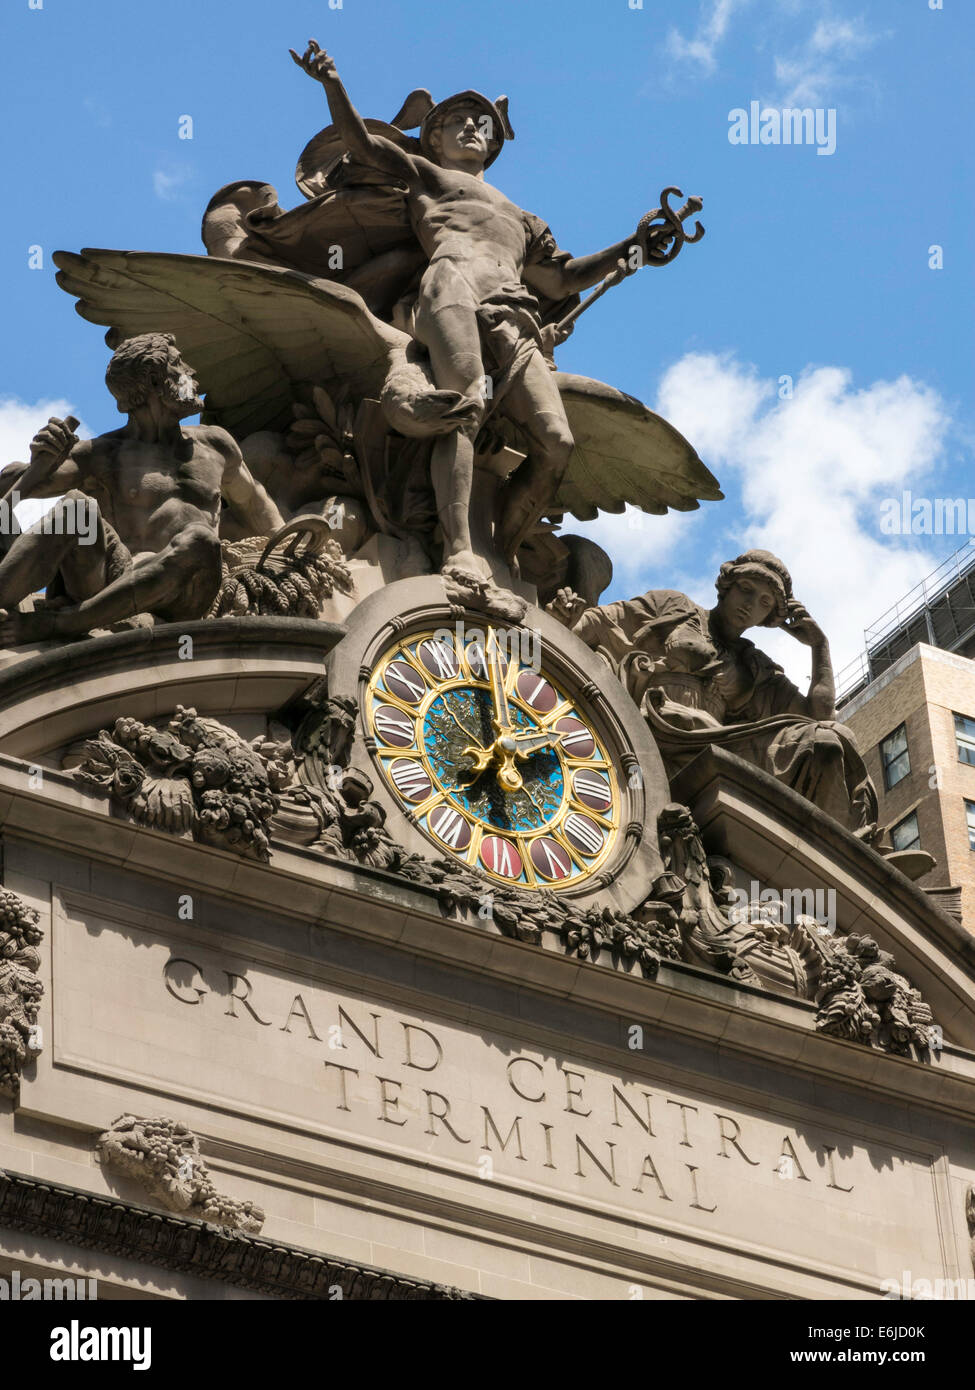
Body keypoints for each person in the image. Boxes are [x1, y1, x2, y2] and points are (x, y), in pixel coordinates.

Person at [289, 39, 655, 585]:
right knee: (463, 408)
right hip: (449, 287)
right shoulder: (426, 176)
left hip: (515, 312)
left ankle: (501, 552)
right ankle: (459, 548)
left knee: (556, 443)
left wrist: (635, 244)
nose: (471, 129)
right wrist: (333, 84)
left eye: (481, 123)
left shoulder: (524, 217)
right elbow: (363, 146)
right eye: (457, 121)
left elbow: (561, 277)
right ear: (433, 138)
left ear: (494, 142)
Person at [549, 550, 883, 841]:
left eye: (764, 603)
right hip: (659, 724)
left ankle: (835, 847)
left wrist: (819, 647)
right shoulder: (674, 606)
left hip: (717, 745)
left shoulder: (757, 667)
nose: (750, 605)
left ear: (769, 617)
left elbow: (820, 719)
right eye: (746, 590)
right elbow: (604, 620)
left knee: (828, 741)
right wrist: (558, 628)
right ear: (727, 586)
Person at [0, 334, 283, 643]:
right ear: (154, 381)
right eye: (178, 363)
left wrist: (297, 544)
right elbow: (9, 497)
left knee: (200, 537)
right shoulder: (102, 453)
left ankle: (60, 623)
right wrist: (42, 462)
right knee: (75, 507)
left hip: (184, 592)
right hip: (111, 585)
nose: (191, 371)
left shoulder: (216, 444)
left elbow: (256, 506)